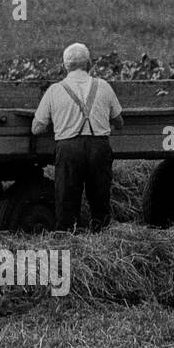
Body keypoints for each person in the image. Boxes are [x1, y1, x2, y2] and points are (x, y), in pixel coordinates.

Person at [31, 43, 124, 229]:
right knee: (100, 200)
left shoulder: (55, 90)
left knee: (66, 200)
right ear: (89, 64)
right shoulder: (104, 86)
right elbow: (119, 122)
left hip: (68, 149)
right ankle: (101, 235)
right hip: (99, 147)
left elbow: (37, 128)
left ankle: (68, 237)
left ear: (65, 66)